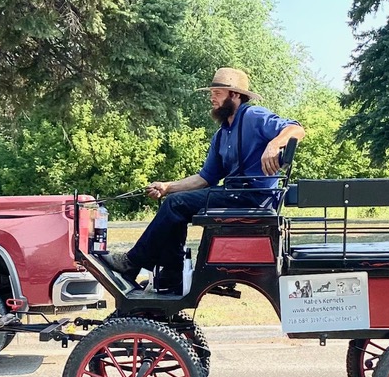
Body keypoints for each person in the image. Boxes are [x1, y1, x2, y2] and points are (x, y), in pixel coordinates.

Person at [100, 67, 305, 290]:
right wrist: (168, 187)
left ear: (235, 95)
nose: (211, 97)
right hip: (234, 195)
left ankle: (133, 262)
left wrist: (274, 144)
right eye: (212, 92)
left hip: (253, 199)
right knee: (176, 203)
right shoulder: (221, 135)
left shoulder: (253, 116)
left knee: (176, 204)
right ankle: (170, 277)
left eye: (217, 92)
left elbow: (296, 129)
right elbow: (205, 178)